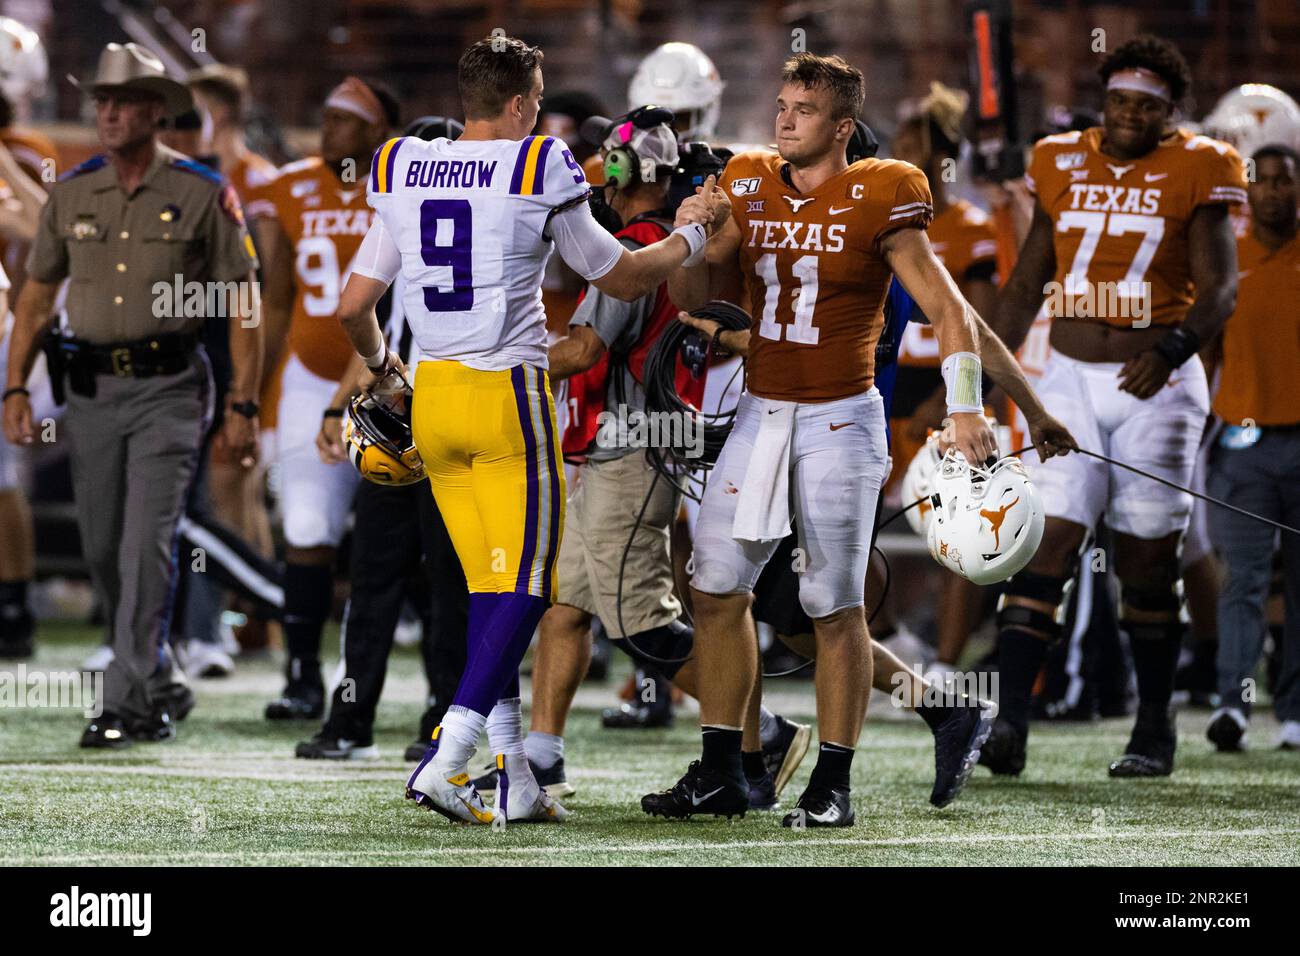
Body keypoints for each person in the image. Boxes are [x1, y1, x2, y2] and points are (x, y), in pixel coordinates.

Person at [647, 52, 1072, 826]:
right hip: (761, 412)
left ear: (843, 128)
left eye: (802, 109)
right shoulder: (747, 179)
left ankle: (832, 782)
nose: (783, 118)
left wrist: (975, 407)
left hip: (841, 416)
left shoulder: (887, 189)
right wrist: (690, 238)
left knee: (832, 605)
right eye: (779, 104)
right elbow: (695, 300)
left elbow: (951, 311)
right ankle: (722, 768)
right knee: (714, 586)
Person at [333, 35, 721, 824]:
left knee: (490, 589)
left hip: (433, 397)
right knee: (532, 585)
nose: (539, 113)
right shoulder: (537, 163)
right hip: (507, 394)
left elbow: (352, 305)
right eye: (536, 101)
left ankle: (511, 775)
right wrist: (696, 236)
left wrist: (383, 367)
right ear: (518, 104)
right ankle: (449, 756)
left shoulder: (402, 162)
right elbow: (621, 273)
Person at [988, 35, 1245, 777]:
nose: (1131, 116)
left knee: (1144, 563)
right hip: (1067, 375)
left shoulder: (1202, 165)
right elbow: (1029, 279)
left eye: (1148, 106)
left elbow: (1221, 288)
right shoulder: (1060, 158)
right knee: (1042, 547)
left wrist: (1168, 349)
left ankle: (1154, 727)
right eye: (1121, 101)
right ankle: (1008, 725)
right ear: (1106, 100)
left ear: (1171, 113)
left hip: (1155, 386)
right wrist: (973, 380)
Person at [1, 42, 262, 745]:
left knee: (145, 543)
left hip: (171, 390)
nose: (108, 114)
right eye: (101, 103)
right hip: (88, 391)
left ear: (154, 111)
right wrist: (14, 389)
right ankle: (160, 677)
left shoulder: (205, 192)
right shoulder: (73, 192)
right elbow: (34, 299)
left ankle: (125, 702)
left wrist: (243, 402)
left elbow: (243, 302)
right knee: (104, 543)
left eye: (121, 103)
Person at [296, 115, 470, 762]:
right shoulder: (406, 224)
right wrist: (341, 403)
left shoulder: (442, 221)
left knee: (440, 577)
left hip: (443, 411)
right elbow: (371, 325)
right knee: (378, 570)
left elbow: (362, 318)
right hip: (409, 412)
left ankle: (439, 715)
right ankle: (358, 714)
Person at [256, 76, 400, 719]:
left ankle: (380, 685)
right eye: (326, 116)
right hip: (307, 378)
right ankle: (300, 673)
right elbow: (276, 300)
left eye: (345, 119)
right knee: (306, 527)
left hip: (380, 376)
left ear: (376, 131)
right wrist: (249, 395)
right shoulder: (286, 187)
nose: (329, 129)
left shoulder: (400, 187)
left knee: (384, 538)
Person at [1203, 144, 1300, 752]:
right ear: (1247, 191)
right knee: (1243, 579)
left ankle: (1294, 710)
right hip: (1241, 441)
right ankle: (1233, 704)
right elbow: (1206, 348)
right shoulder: (1227, 259)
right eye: (1259, 181)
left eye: (1283, 180)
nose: (1270, 191)